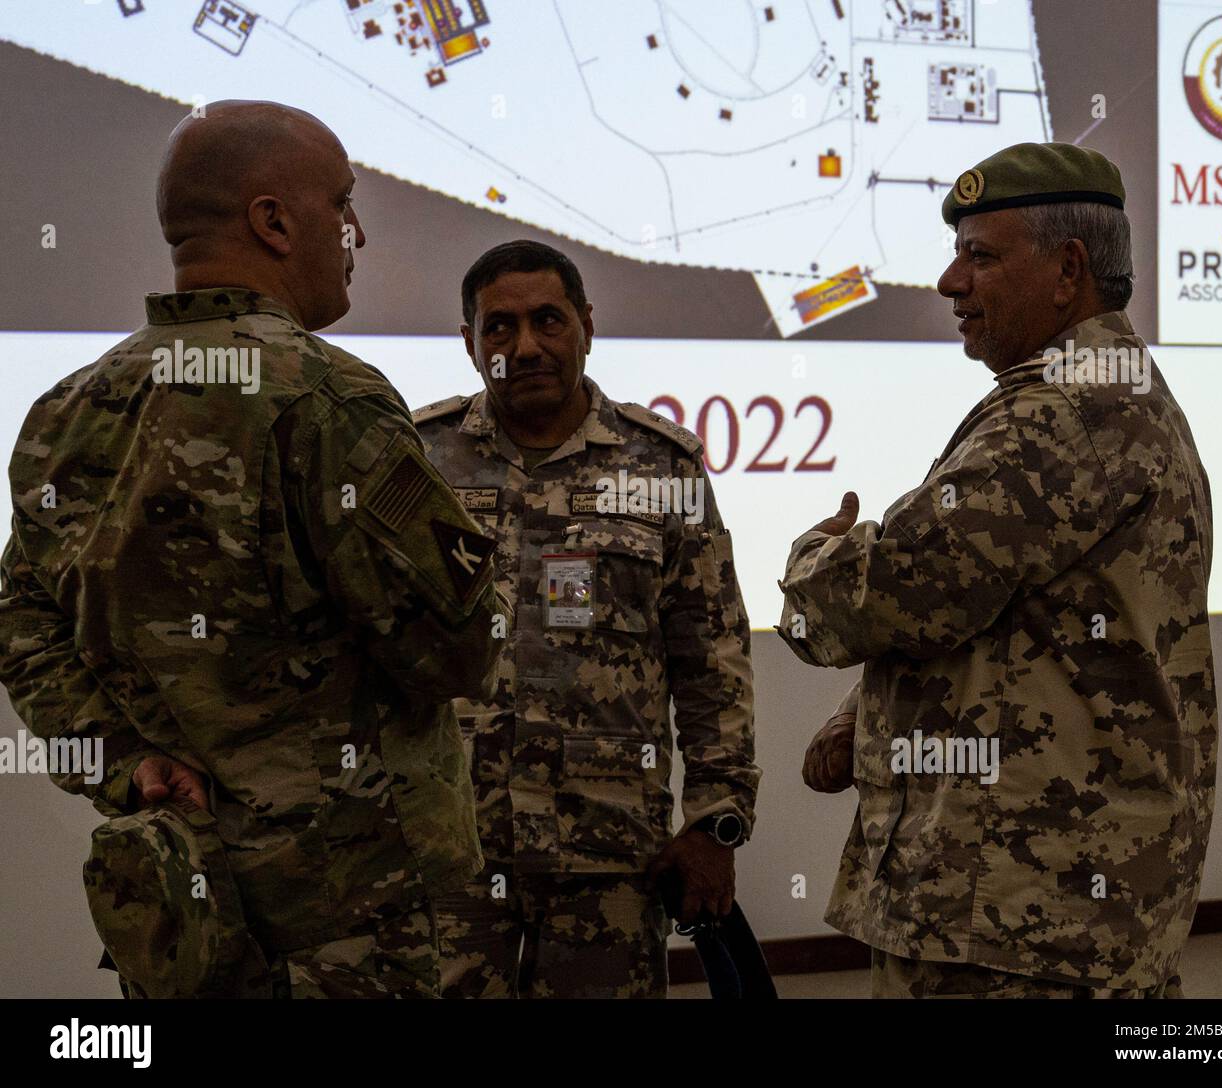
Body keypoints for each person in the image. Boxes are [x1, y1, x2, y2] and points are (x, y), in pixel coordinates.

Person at [0, 100, 502, 998]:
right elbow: (454, 647)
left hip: (180, 916)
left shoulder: (62, 414)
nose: (356, 234)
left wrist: (122, 761)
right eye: (342, 204)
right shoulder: (325, 397)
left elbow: (23, 631)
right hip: (354, 927)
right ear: (273, 221)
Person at [780, 143, 1216, 998]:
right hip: (1045, 910)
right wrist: (866, 712)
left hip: (1016, 923)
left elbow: (879, 596)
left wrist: (812, 557)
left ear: (1068, 270)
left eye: (980, 256)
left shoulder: (1065, 412)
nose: (950, 281)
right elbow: (1010, 616)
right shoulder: (1106, 390)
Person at [413, 239, 760, 998]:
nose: (526, 346)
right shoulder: (419, 462)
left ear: (587, 326)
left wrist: (715, 820)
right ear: (469, 343)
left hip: (609, 857)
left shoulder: (662, 466)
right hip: (449, 853)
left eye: (548, 320)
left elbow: (713, 658)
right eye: (499, 327)